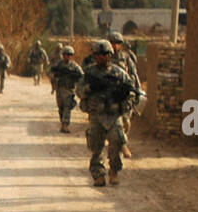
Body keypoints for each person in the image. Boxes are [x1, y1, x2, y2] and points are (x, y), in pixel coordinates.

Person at [75, 39, 136, 187]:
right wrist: (89, 89)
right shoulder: (89, 73)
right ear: (94, 56)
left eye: (105, 54)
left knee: (116, 142)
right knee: (96, 147)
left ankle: (114, 171)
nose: (102, 57)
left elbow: (131, 93)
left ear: (110, 55)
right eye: (99, 54)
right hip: (96, 115)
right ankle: (98, 175)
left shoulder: (119, 73)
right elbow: (79, 90)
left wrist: (123, 105)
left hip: (114, 115)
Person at [109, 31, 140, 159]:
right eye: (113, 43)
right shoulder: (104, 57)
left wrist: (138, 90)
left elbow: (134, 74)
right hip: (111, 95)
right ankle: (122, 146)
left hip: (125, 95)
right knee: (115, 123)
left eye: (118, 43)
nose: (115, 46)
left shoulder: (126, 58)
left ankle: (120, 143)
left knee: (126, 122)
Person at [49, 45, 82, 133]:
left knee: (67, 106)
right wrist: (56, 76)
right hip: (60, 89)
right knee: (61, 107)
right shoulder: (58, 65)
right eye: (66, 54)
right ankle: (62, 122)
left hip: (69, 89)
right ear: (63, 55)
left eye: (70, 55)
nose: (68, 56)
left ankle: (65, 124)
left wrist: (73, 76)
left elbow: (81, 75)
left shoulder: (74, 66)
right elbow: (51, 73)